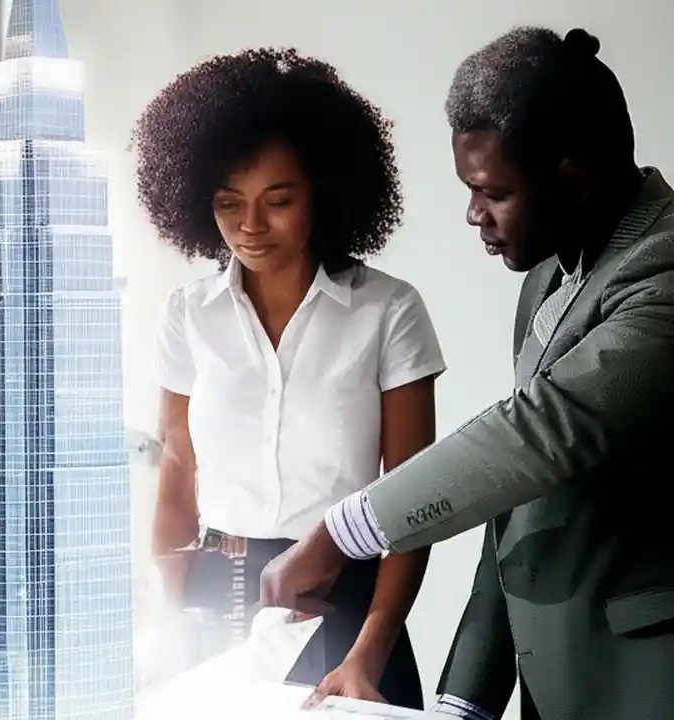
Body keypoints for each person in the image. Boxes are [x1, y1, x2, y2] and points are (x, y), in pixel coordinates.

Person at [259, 26, 674, 720]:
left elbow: (539, 436)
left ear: (572, 179)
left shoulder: (664, 273)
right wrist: (466, 698)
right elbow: (515, 496)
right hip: (552, 687)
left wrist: (341, 532)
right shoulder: (549, 271)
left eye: (493, 193)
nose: (473, 215)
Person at [133, 48, 446, 708]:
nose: (249, 226)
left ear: (322, 192)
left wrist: (371, 649)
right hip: (214, 599)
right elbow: (177, 472)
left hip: (347, 598)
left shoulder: (388, 311)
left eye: (278, 200)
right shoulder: (187, 316)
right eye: (228, 203)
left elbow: (412, 500)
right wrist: (165, 627)